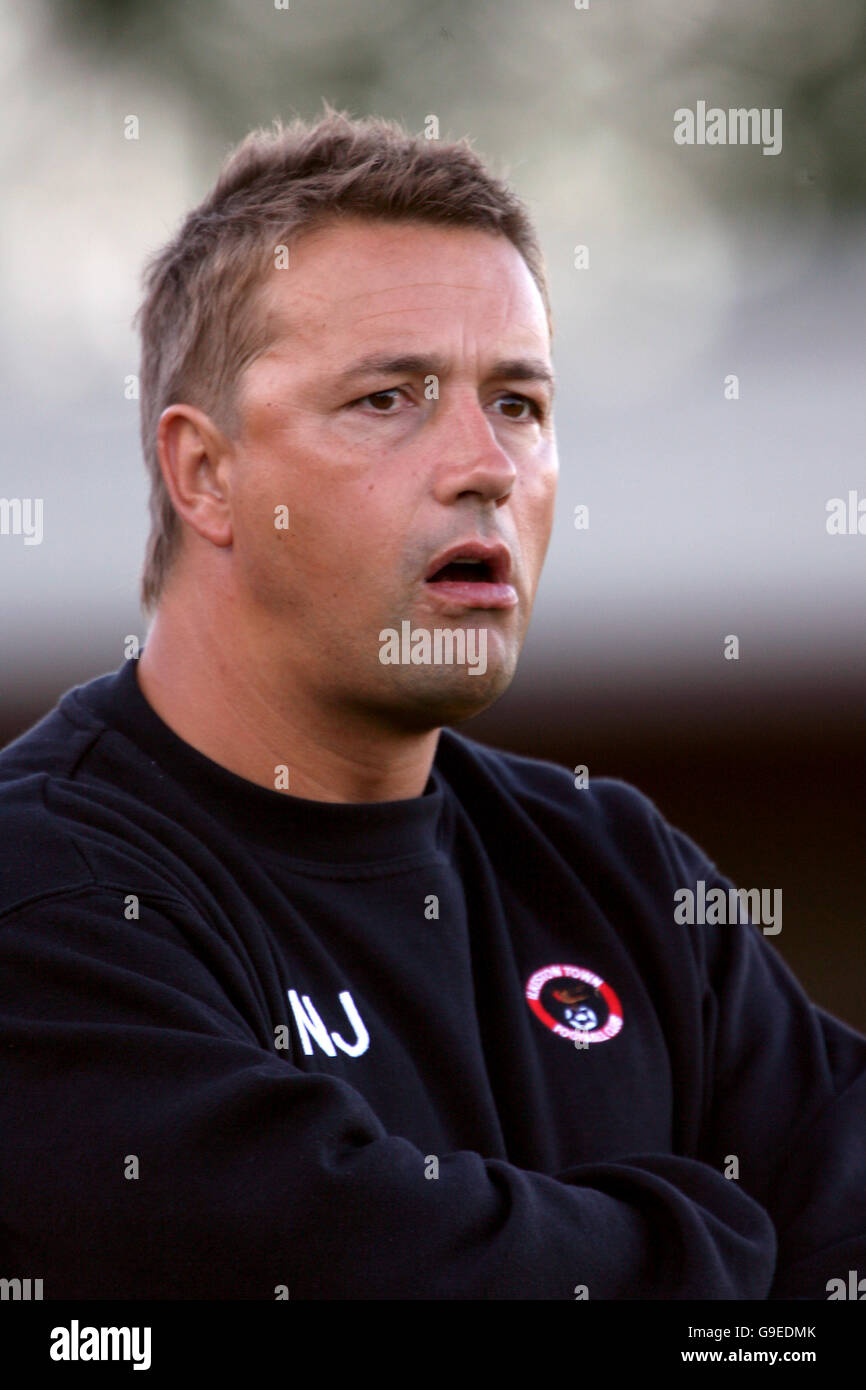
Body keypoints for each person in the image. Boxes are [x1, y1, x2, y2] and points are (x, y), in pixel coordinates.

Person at [0, 108, 863, 1301]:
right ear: (204, 472)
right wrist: (720, 1253)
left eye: (516, 402)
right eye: (389, 398)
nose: (484, 466)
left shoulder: (616, 869)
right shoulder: (49, 886)